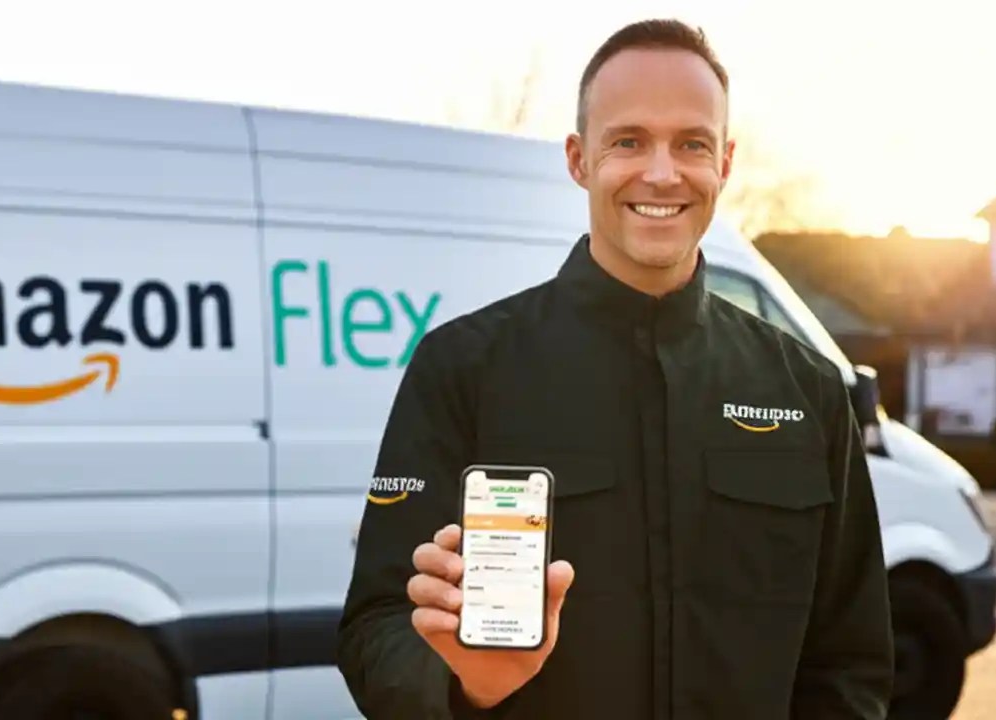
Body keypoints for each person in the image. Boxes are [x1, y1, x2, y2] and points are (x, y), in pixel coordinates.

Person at [336, 18, 894, 720]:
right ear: (578, 159)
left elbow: (851, 662)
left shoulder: (805, 388)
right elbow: (372, 630)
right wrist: (465, 680)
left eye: (691, 144)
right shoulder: (461, 369)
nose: (661, 173)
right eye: (628, 141)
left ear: (723, 162)